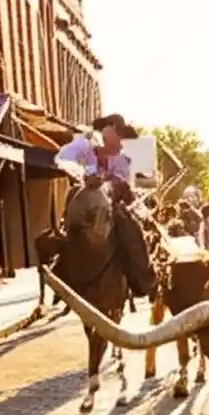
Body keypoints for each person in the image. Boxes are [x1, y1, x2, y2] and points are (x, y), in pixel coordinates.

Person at [54, 114, 155, 298]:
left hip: (111, 202)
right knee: (65, 231)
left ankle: (143, 278)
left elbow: (123, 181)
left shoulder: (121, 159)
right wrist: (84, 176)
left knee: (130, 228)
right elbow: (66, 162)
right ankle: (62, 274)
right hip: (83, 197)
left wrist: (110, 184)